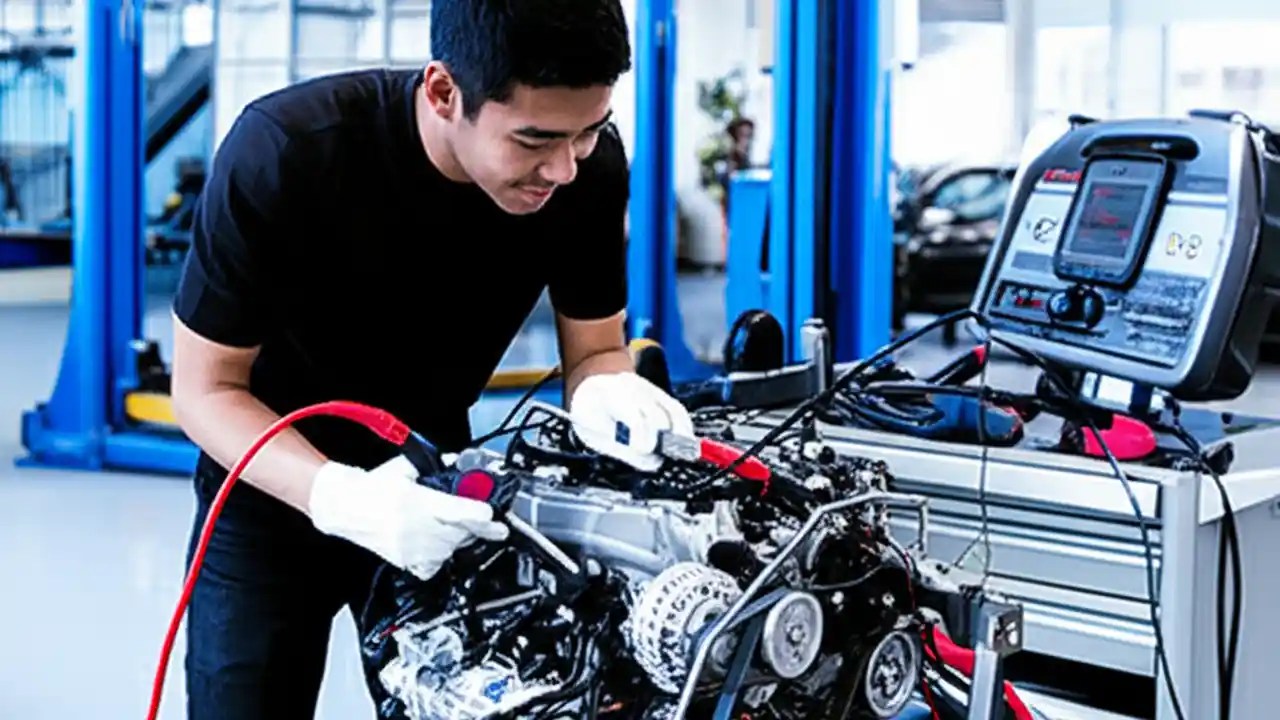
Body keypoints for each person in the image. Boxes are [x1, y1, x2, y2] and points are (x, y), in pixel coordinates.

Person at [168, 1, 693, 717]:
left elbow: (597, 349)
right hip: (268, 491)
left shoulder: (588, 169)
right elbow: (205, 391)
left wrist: (609, 394)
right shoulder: (288, 150)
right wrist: (338, 497)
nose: (564, 168)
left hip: (437, 490)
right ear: (445, 93)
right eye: (535, 138)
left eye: (589, 132)